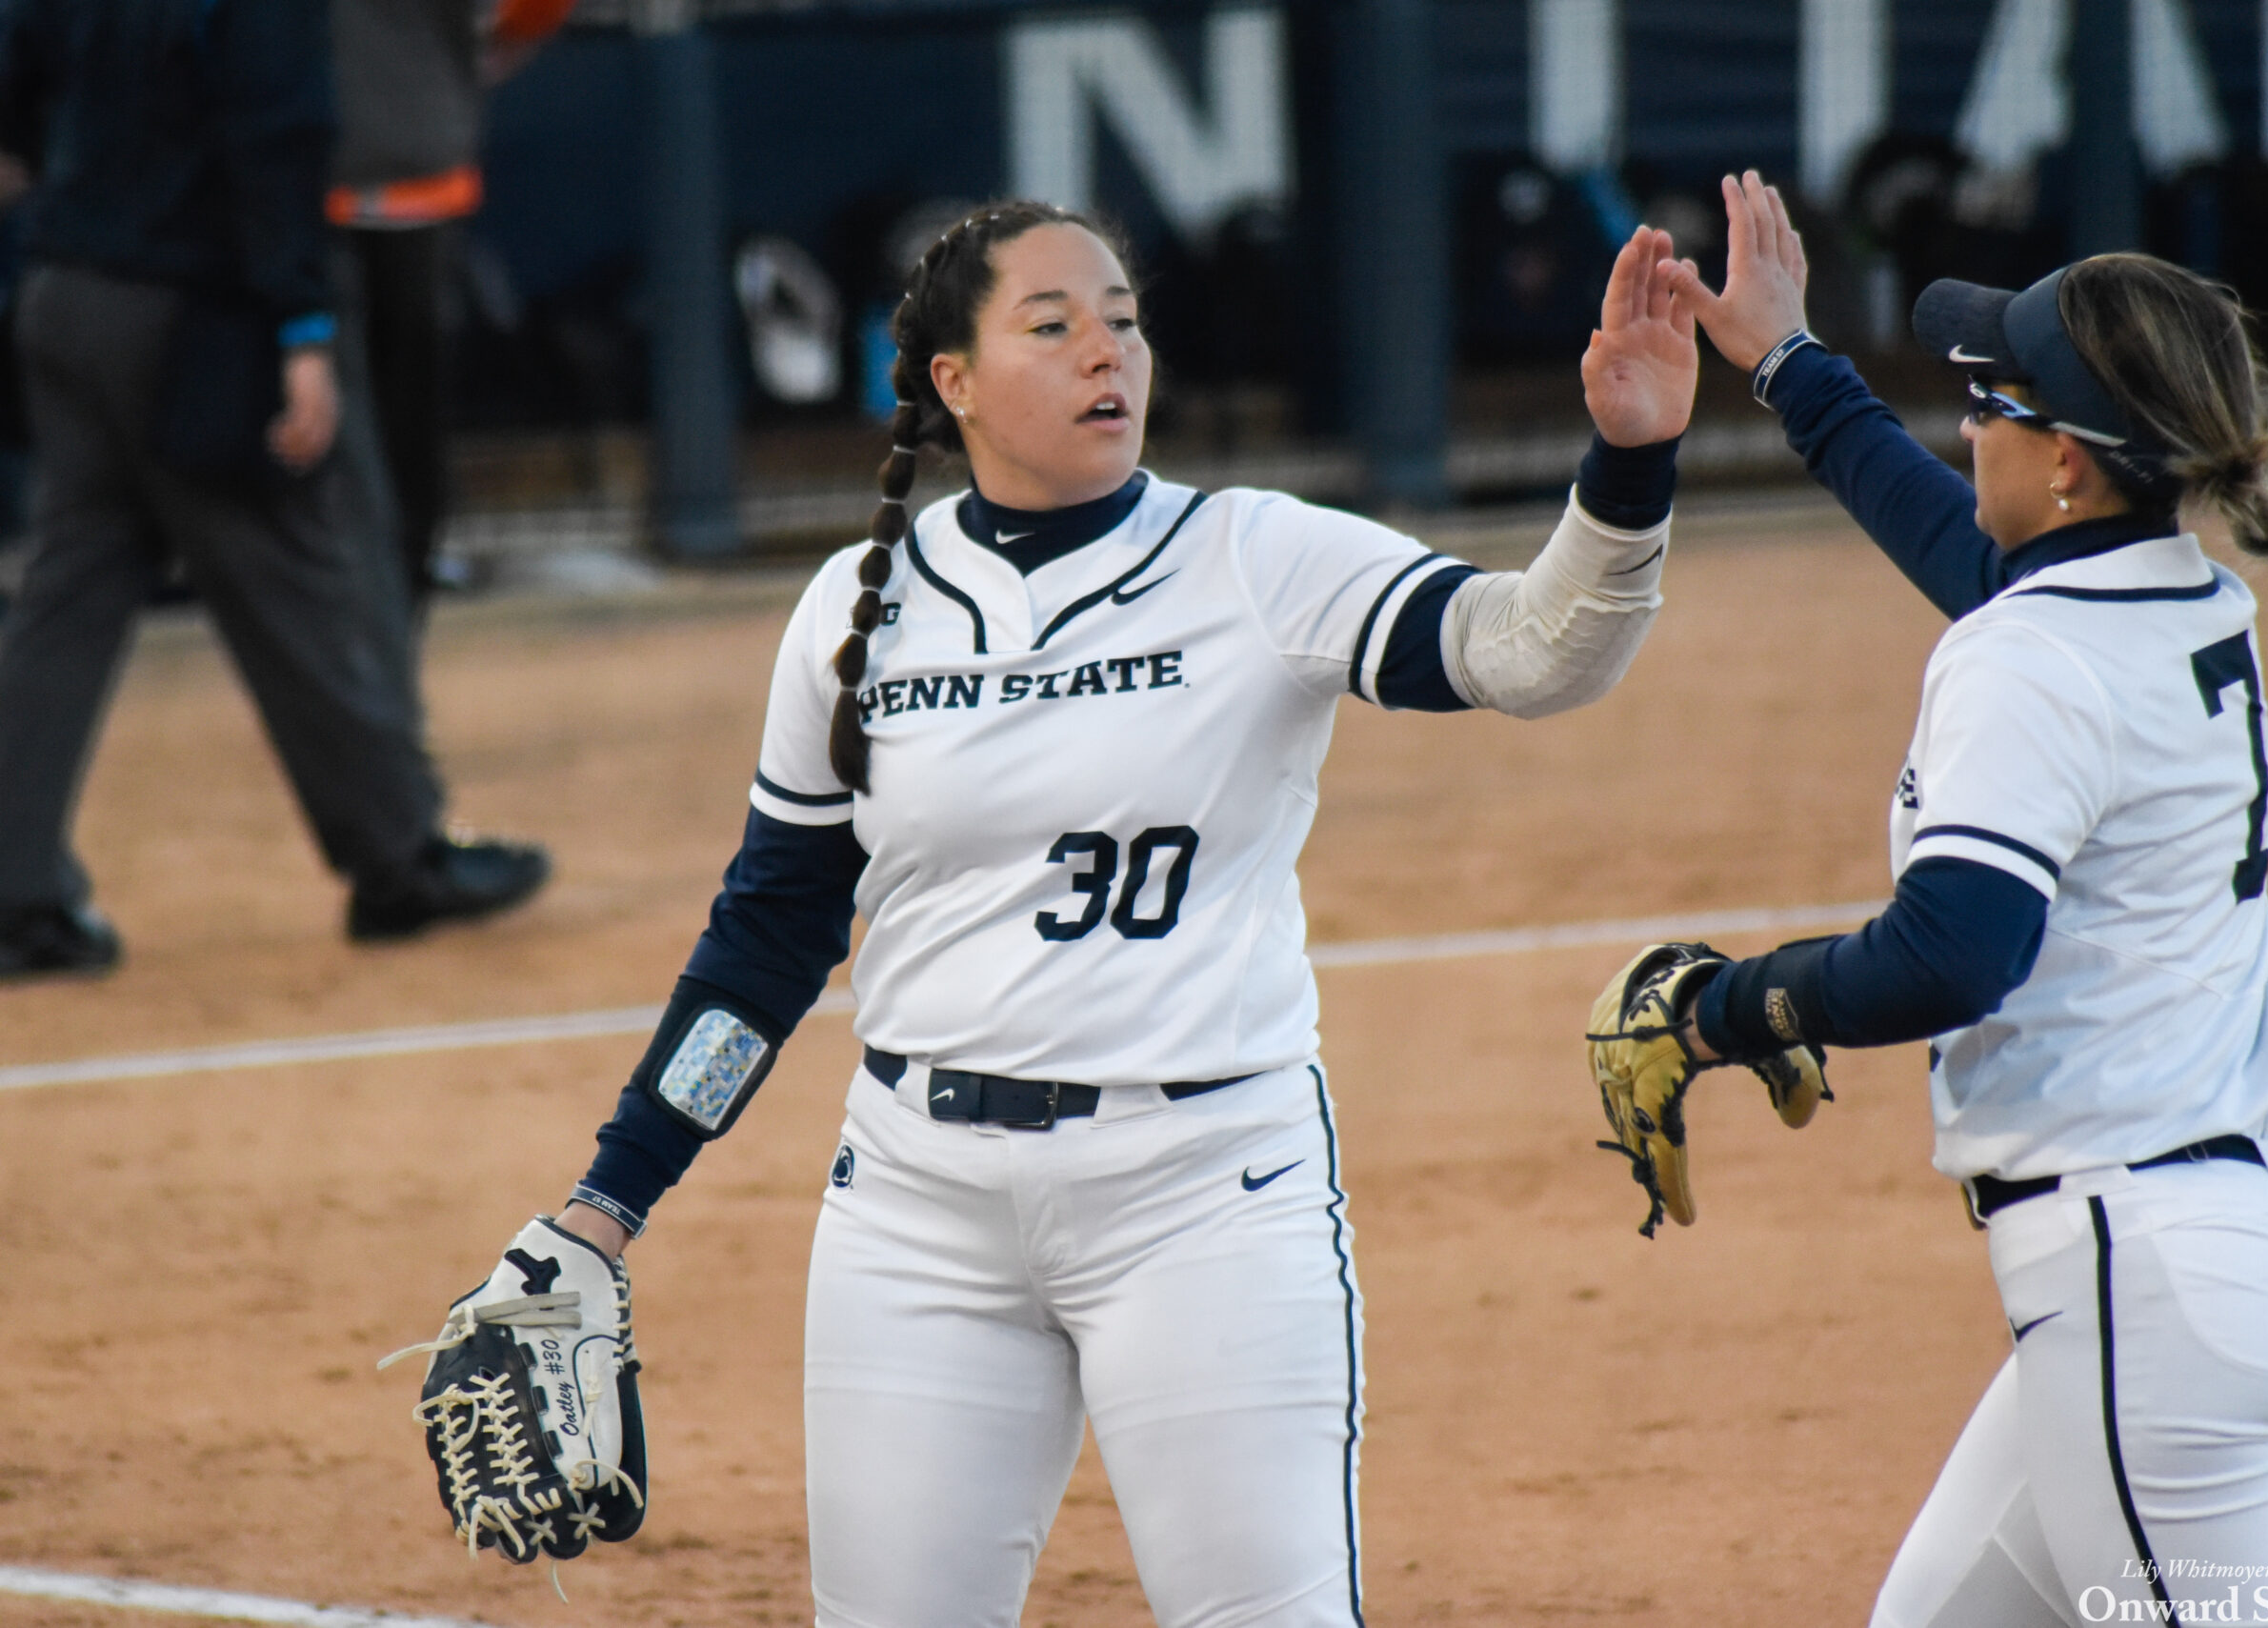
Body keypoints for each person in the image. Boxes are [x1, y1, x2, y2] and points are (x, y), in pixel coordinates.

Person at [440, 200, 1698, 1624]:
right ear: (954, 382)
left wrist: (1629, 462)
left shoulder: (1255, 558)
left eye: (1124, 320)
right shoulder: (860, 607)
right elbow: (768, 940)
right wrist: (608, 1201)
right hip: (913, 1210)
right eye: (1052, 325)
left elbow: (1533, 652)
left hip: (1202, 1194)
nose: (1108, 350)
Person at [1641, 172, 2268, 1624]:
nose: (1966, 424)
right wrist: (1790, 364)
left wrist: (1724, 1006)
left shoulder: (2030, 657)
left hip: (2142, 1296)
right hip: (2228, 1251)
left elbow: (1952, 954)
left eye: (1991, 402)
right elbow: (1980, 566)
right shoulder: (2180, 595)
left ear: (2070, 464)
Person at [0, 0, 549, 978]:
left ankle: (14, 888)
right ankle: (400, 859)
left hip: (68, 290)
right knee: (302, 580)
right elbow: (281, 130)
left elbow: (14, 99)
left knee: (67, 596)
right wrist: (302, 328)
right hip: (197, 310)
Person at [327, 0, 575, 610]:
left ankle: (387, 595)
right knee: (369, 417)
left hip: (385, 177)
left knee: (374, 417)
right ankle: (385, 594)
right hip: (354, 171)